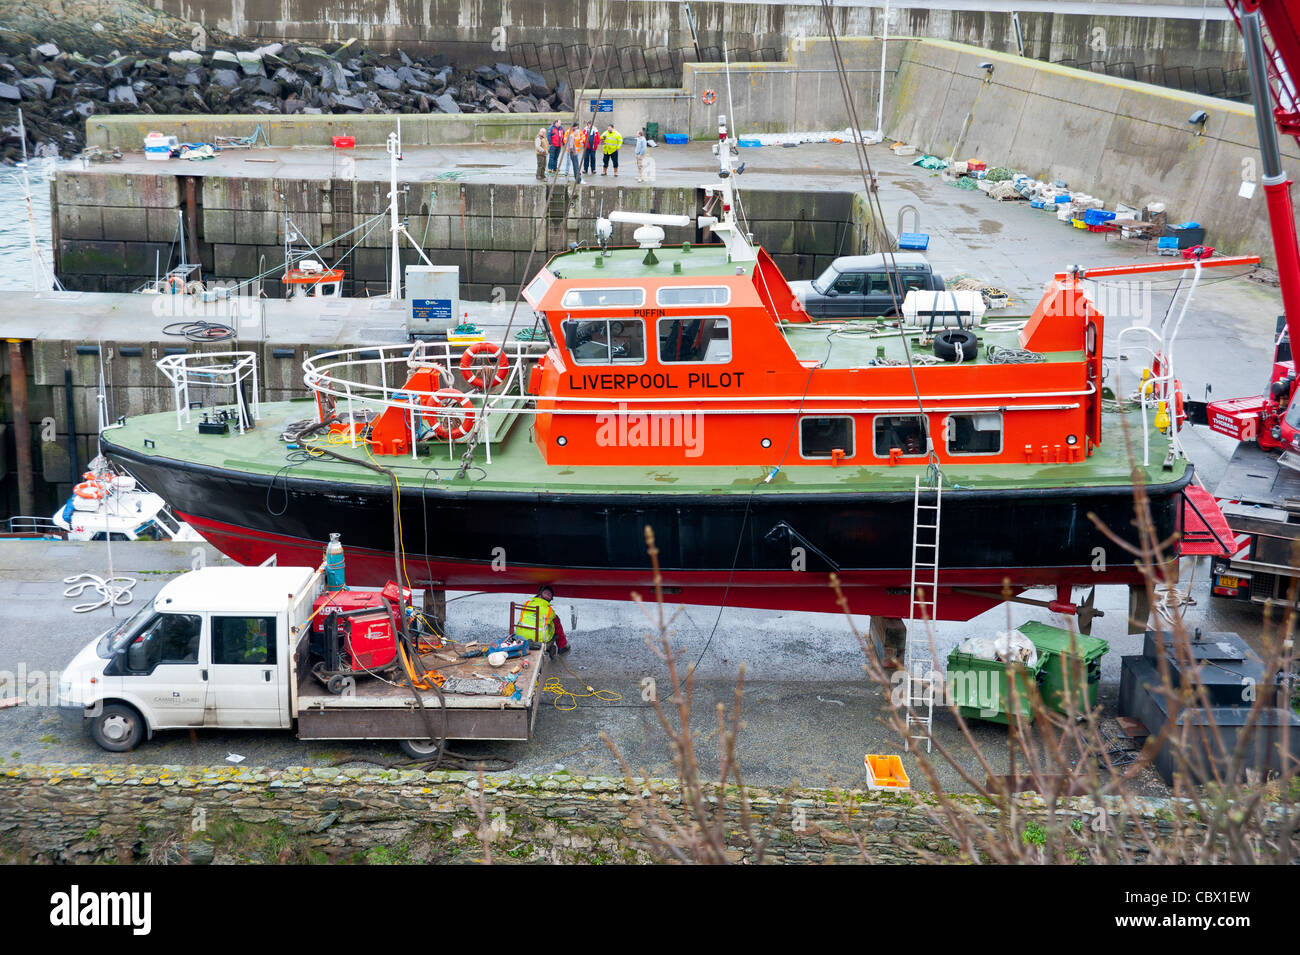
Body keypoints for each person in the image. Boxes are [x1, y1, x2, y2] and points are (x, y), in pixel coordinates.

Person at [514, 585, 569, 656]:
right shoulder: (549, 611)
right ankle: (562, 646)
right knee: (555, 621)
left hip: (520, 637)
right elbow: (553, 624)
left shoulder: (527, 603)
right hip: (538, 640)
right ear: (550, 599)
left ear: (539, 594)